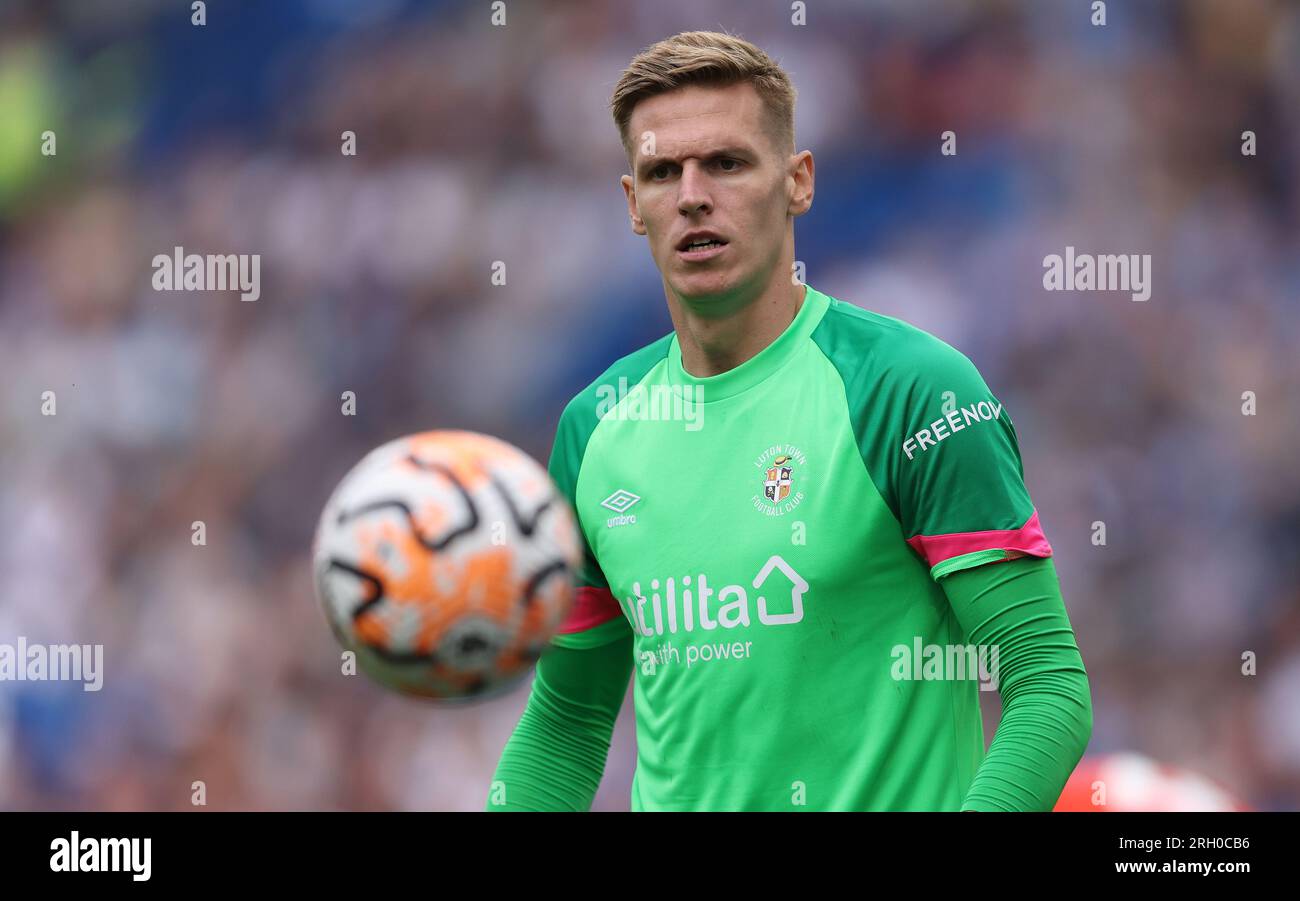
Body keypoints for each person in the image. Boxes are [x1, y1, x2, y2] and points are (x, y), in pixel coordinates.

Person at [488, 30, 1091, 811]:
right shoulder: (595, 427)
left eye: (728, 163)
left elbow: (1047, 685)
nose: (693, 195)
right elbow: (568, 718)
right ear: (634, 205)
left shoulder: (909, 389)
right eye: (663, 172)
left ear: (798, 181)